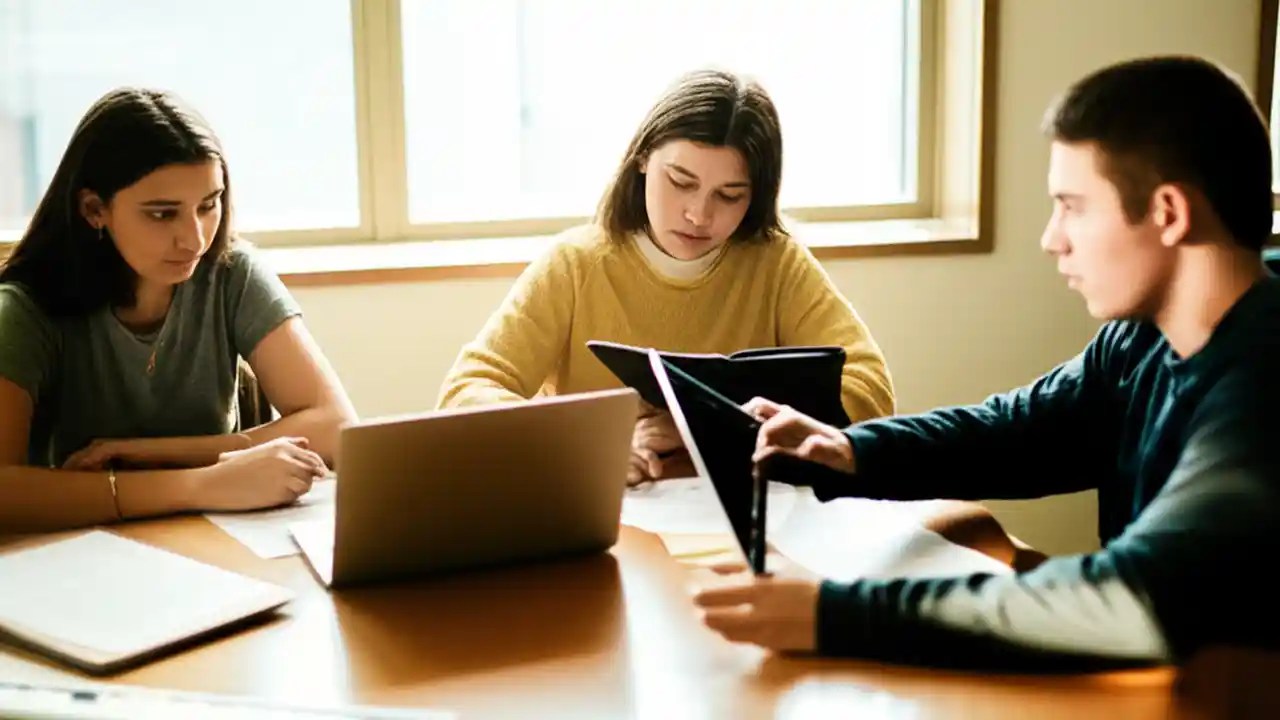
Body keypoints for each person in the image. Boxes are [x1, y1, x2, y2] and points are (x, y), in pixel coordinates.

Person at [693, 55, 1280, 669]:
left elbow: (1130, 598)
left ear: (1168, 213)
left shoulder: (1273, 383)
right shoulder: (1141, 341)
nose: (1052, 238)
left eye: (1073, 206)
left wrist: (829, 614)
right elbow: (1020, 431)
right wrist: (851, 450)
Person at [436, 69, 896, 485]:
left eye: (730, 195)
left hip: (746, 506)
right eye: (680, 181)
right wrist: (588, 448)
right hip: (601, 507)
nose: (699, 214)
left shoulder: (776, 264)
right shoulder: (575, 264)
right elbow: (465, 393)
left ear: (756, 198)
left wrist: (711, 425)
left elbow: (869, 388)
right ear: (641, 160)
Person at [0, 88, 357, 533]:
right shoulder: (24, 310)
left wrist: (156, 453)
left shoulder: (233, 274)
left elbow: (336, 427)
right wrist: (201, 484)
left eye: (208, 205)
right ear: (94, 209)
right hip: (77, 556)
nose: (194, 238)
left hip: (220, 543)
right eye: (162, 214)